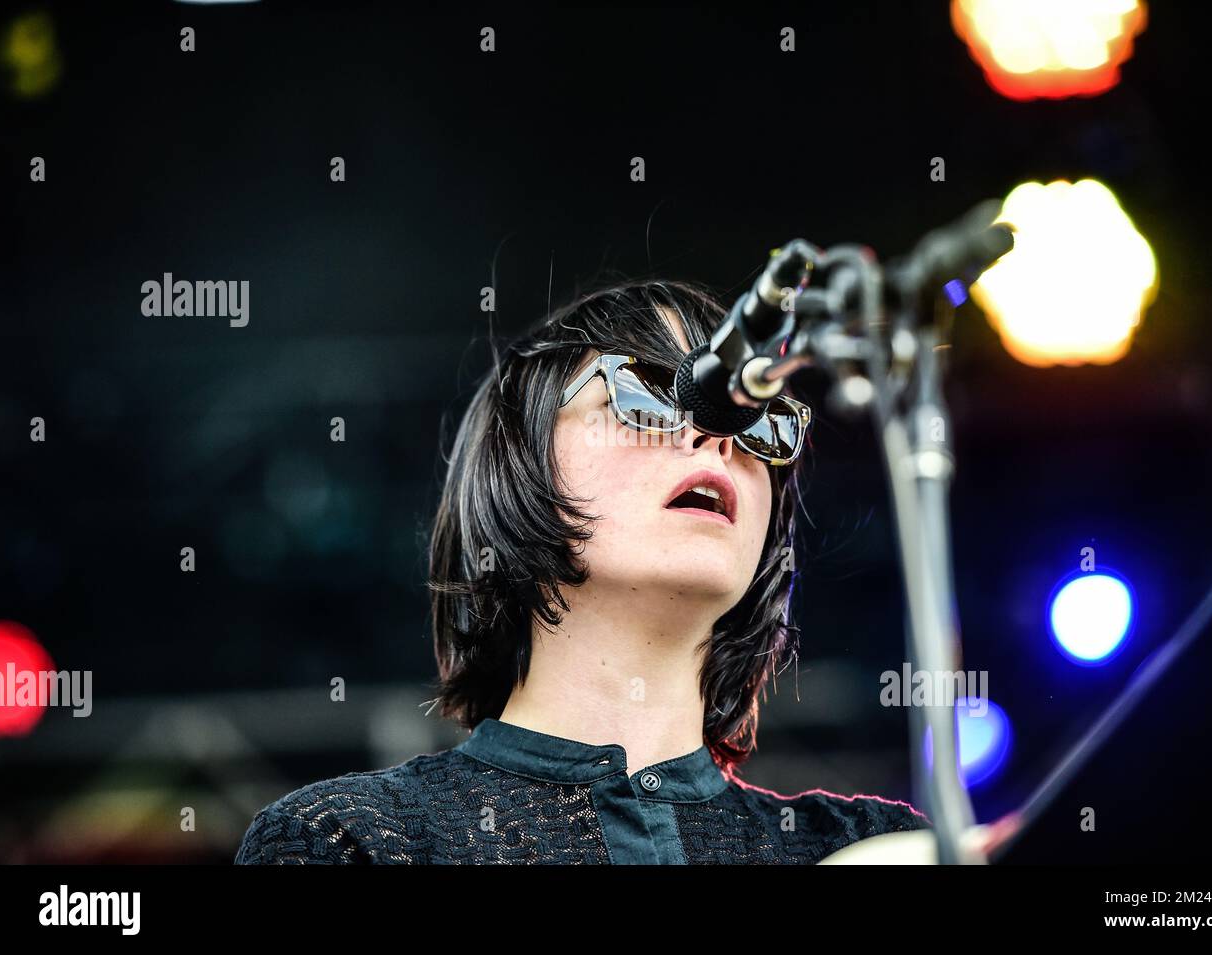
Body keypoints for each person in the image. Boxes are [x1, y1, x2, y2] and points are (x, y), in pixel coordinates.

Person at [235, 278, 929, 864]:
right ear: (519, 460)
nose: (716, 433)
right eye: (652, 392)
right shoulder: (345, 841)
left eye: (753, 414)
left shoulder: (873, 847)